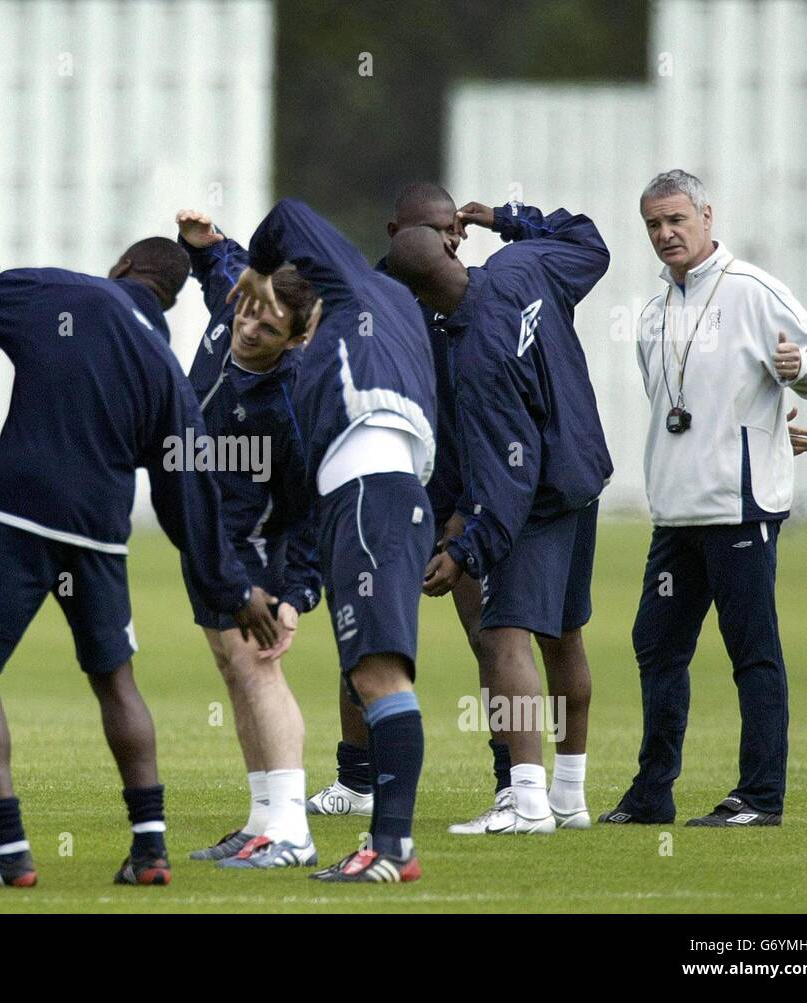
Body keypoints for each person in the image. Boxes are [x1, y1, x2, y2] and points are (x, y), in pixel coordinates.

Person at [0, 242, 281, 889]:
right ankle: (149, 848)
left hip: (17, 515)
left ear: (121, 266)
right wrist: (233, 588)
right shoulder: (166, 370)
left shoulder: (64, 292)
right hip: (101, 536)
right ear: (169, 301)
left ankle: (7, 848)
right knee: (115, 680)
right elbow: (188, 495)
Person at [602, 170, 807, 827]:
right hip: (675, 513)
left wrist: (805, 373)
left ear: (708, 216)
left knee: (752, 653)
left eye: (677, 219)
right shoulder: (652, 313)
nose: (666, 233)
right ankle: (653, 792)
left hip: (738, 509)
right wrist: (770, 430)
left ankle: (759, 798)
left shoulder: (752, 290)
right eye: (654, 223)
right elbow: (677, 410)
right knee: (655, 644)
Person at [388, 199, 613, 834]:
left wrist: (465, 548)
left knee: (506, 638)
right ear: (455, 250)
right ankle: (569, 796)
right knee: (564, 636)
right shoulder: (522, 266)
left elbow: (507, 472)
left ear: (417, 296)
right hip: (582, 477)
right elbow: (588, 240)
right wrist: (503, 216)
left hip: (538, 498)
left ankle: (529, 802)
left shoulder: (476, 354)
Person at [231, 198, 437, 882]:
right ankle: (385, 842)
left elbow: (289, 213)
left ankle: (393, 847)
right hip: (378, 497)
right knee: (371, 673)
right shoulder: (397, 321)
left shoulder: (356, 294)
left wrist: (253, 269)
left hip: (371, 494)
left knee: (380, 676)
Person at [308, 182, 517, 831]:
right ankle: (357, 780)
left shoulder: (474, 298)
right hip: (392, 482)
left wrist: (461, 514)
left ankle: (516, 782)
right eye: (434, 228)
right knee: (363, 631)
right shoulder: (371, 298)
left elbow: (485, 413)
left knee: (492, 634)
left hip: (467, 490)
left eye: (455, 228)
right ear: (396, 229)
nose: (448, 239)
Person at [174, 209, 324, 869]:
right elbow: (224, 273)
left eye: (270, 325)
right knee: (234, 669)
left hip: (254, 549)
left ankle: (292, 828)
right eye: (250, 309)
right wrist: (204, 246)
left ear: (295, 340)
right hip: (204, 538)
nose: (250, 324)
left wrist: (297, 591)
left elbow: (315, 503)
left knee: (258, 670)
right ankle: (262, 817)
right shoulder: (237, 301)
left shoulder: (289, 403)